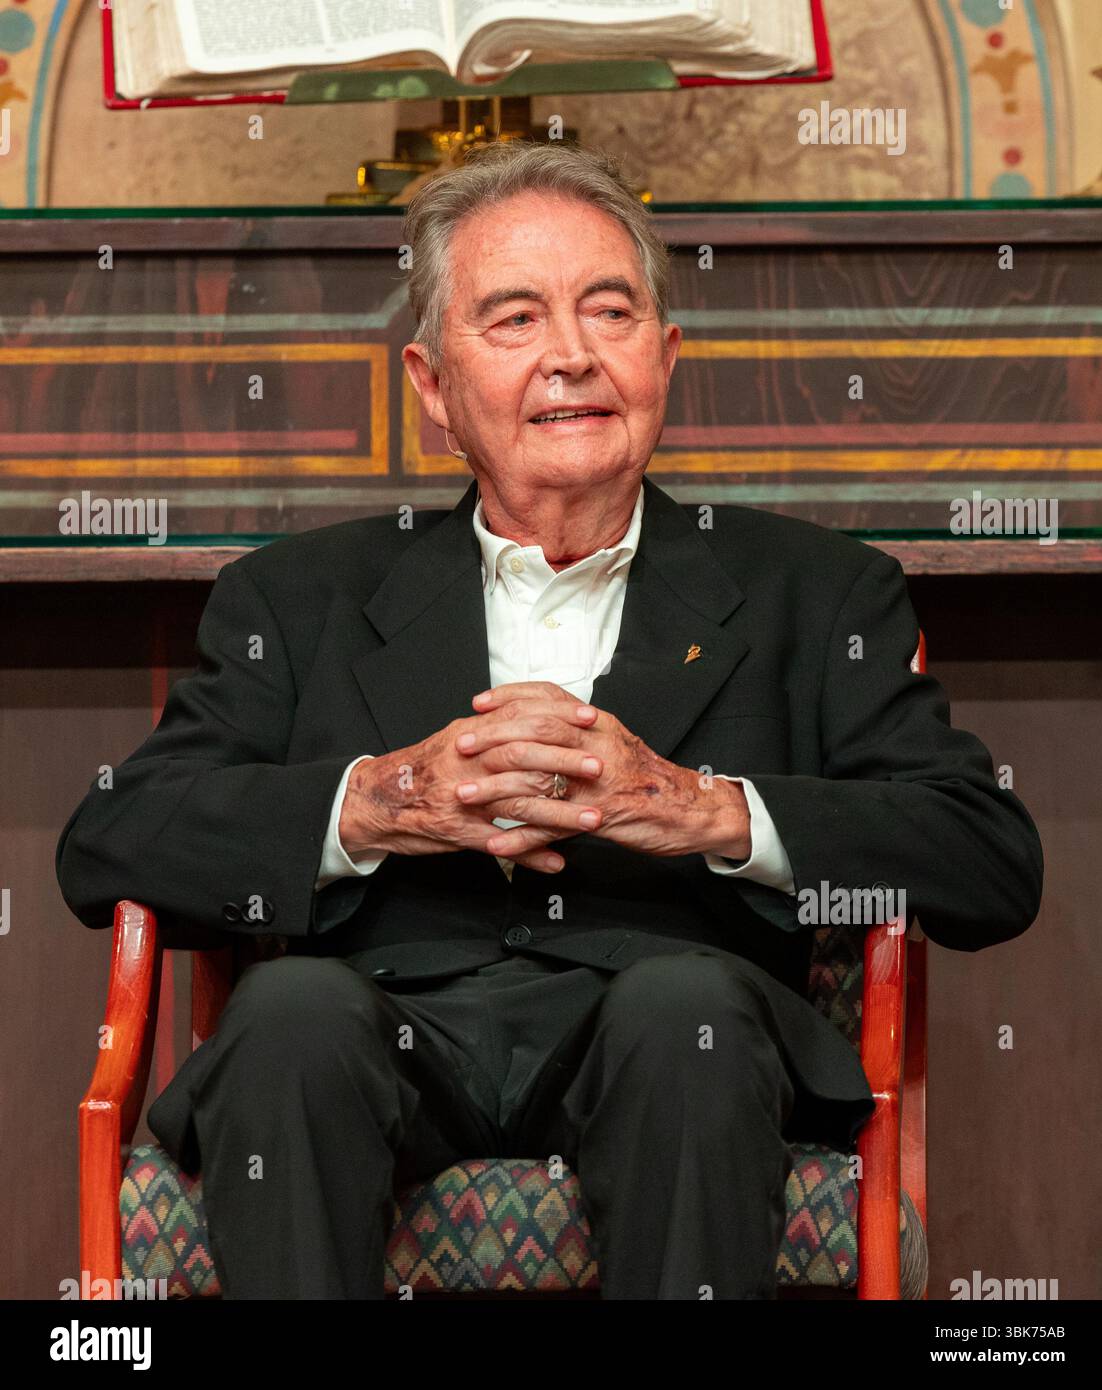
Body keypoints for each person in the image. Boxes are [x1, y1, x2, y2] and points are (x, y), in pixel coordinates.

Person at [56, 139, 1043, 1300]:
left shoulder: (814, 592)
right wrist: (376, 804)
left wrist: (697, 809)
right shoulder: (295, 598)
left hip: (671, 1048)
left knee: (687, 1012)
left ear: (664, 358)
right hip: (379, 1045)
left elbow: (985, 858)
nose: (569, 357)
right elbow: (111, 842)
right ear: (430, 386)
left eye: (608, 311)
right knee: (289, 1013)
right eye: (513, 319)